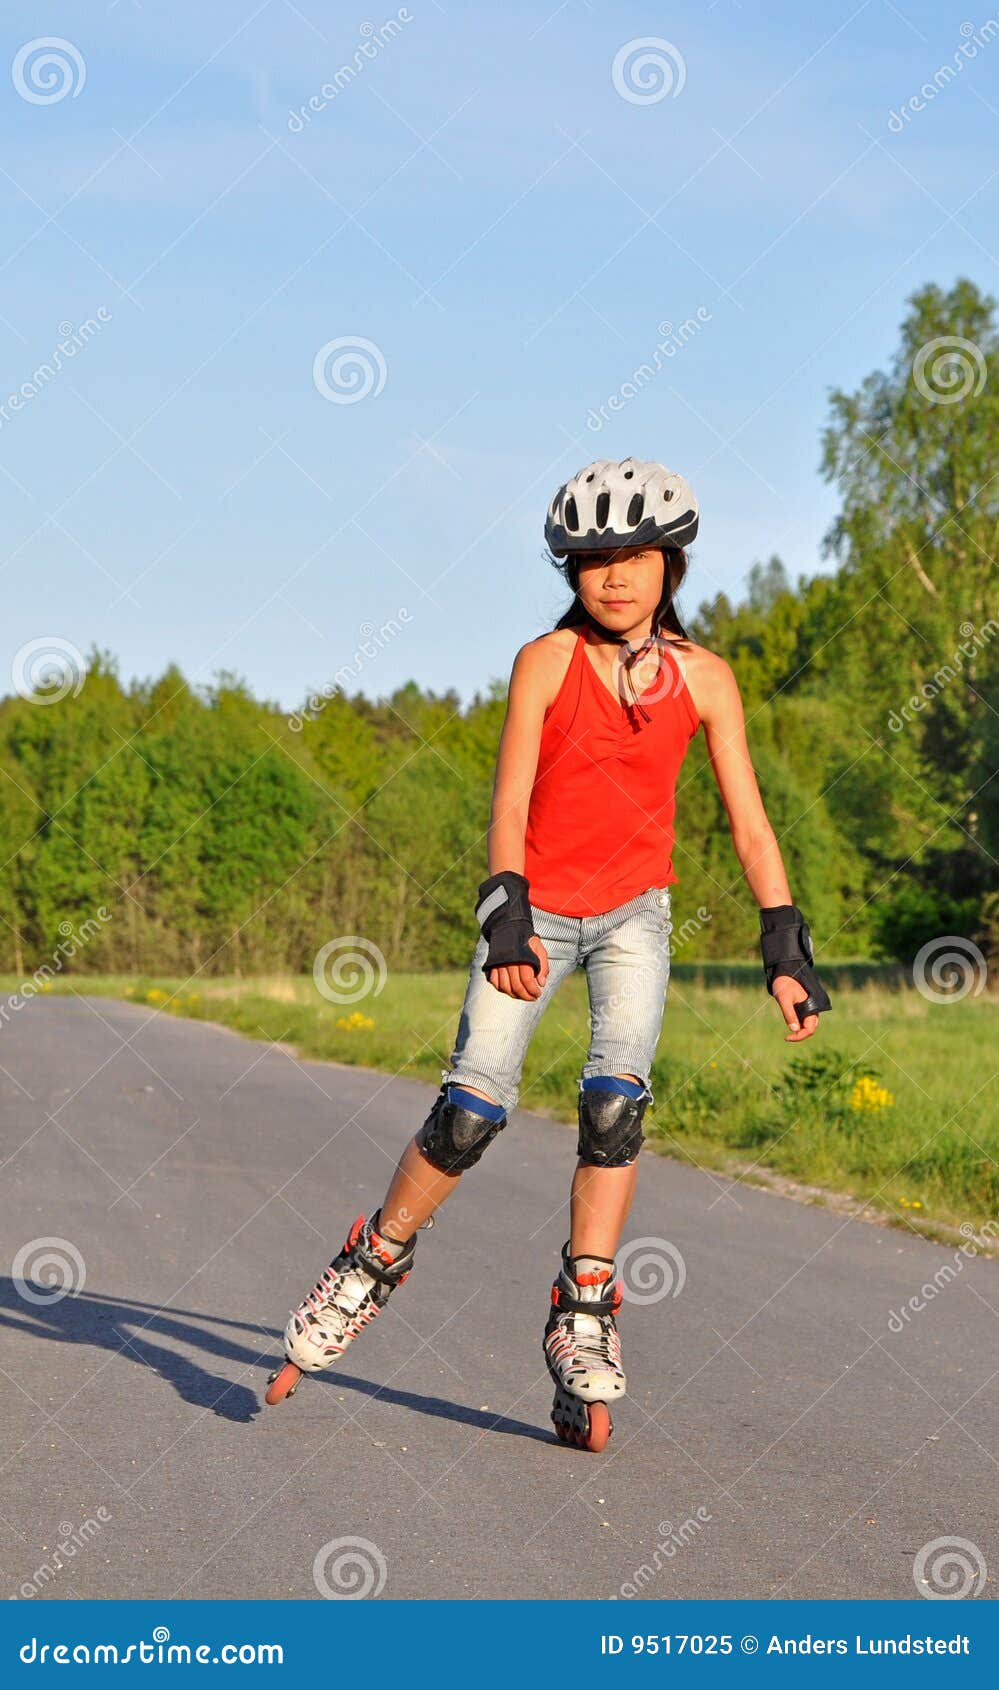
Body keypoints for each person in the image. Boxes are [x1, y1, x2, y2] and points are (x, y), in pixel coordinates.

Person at [265, 457, 831, 1448]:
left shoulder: (705, 679)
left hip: (635, 916)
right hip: (536, 913)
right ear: (569, 568)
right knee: (471, 1110)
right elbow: (512, 798)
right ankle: (369, 1262)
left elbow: (749, 819)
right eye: (591, 559)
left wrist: (784, 942)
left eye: (633, 558)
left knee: (617, 1103)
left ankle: (584, 1312)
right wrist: (505, 915)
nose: (613, 577)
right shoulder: (545, 661)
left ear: (671, 563)